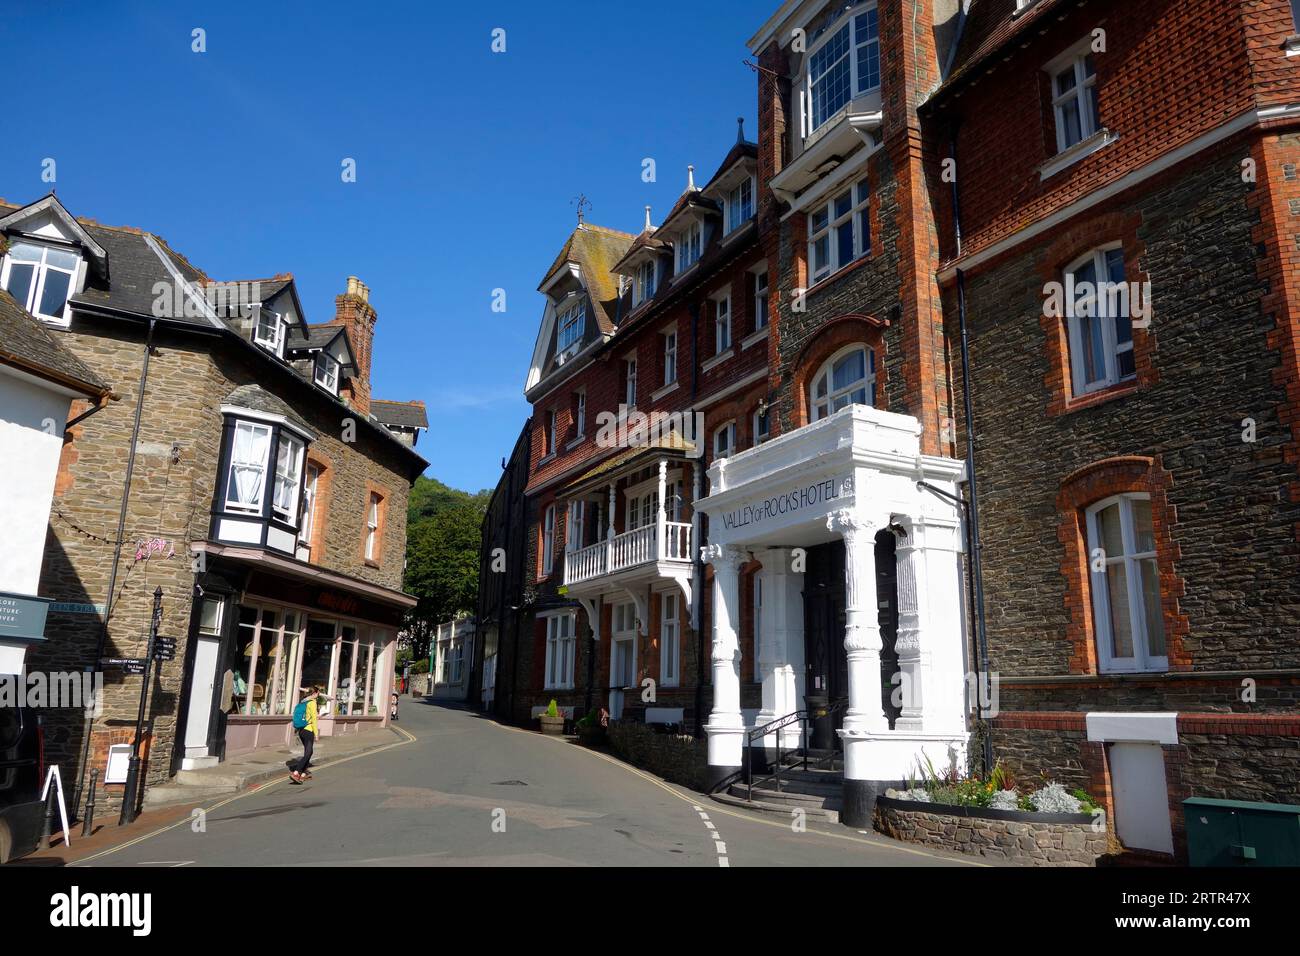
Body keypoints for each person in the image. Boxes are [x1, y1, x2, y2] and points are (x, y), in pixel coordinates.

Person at [289, 686, 319, 784]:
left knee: (309, 752)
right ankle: (296, 772)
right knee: (308, 753)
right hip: (308, 730)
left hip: (301, 731)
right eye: (318, 693)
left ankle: (302, 774)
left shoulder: (303, 702)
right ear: (314, 693)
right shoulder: (312, 703)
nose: (318, 695)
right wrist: (316, 733)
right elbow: (314, 719)